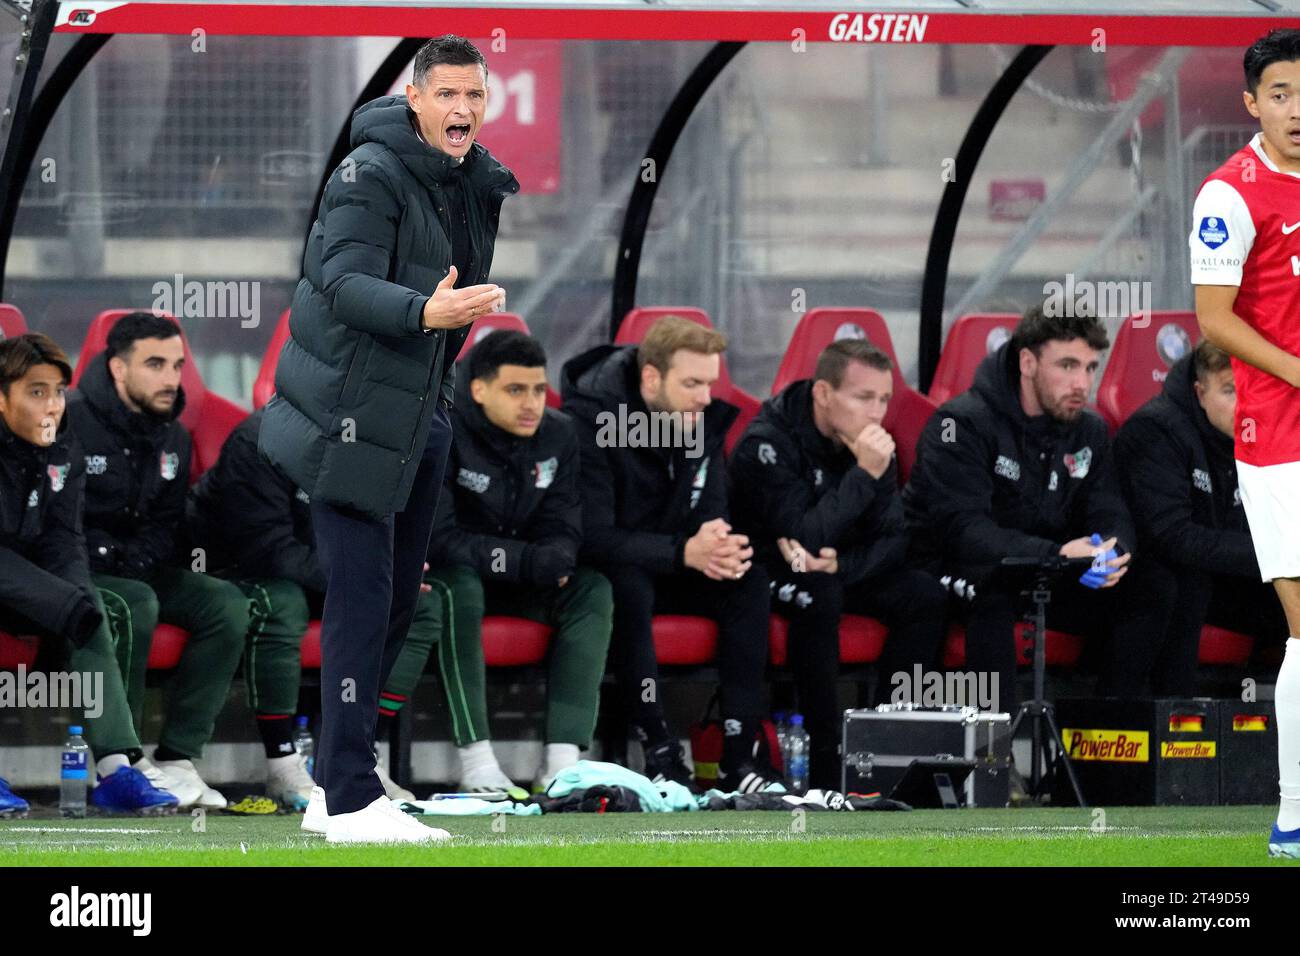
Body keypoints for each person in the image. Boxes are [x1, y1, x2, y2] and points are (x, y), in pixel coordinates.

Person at [258, 34, 518, 844]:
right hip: (352, 416)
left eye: (475, 95)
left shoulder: (468, 181)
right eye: (447, 94)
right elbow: (342, 282)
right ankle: (351, 799)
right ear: (414, 98)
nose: (464, 110)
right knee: (362, 599)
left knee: (401, 601)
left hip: (417, 412)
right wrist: (423, 313)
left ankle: (335, 778)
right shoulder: (368, 174)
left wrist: (438, 356)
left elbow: (456, 294)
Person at [562, 315, 781, 794]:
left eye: (709, 383)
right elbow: (593, 535)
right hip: (616, 568)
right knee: (626, 583)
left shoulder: (697, 419)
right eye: (692, 383)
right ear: (650, 378)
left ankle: (741, 758)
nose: (706, 397)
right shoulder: (590, 421)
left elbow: (712, 501)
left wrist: (717, 540)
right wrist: (685, 551)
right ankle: (660, 752)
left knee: (748, 578)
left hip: (678, 562)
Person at [387, 330, 612, 796]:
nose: (531, 403)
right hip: (463, 575)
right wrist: (531, 560)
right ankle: (477, 761)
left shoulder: (560, 433)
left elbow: (567, 524)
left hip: (526, 579)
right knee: (458, 587)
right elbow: (441, 539)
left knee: (593, 589)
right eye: (515, 390)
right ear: (478, 389)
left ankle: (563, 766)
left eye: (538, 390)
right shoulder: (442, 430)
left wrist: (553, 558)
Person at [728, 339, 947, 791]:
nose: (876, 412)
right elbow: (804, 535)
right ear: (823, 394)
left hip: (837, 567)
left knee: (925, 596)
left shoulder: (870, 446)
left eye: (884, 399)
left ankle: (887, 746)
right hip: (766, 570)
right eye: (863, 397)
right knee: (819, 597)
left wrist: (842, 566)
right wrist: (864, 475)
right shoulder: (766, 443)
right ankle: (827, 764)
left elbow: (895, 539)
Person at [903, 305, 1133, 711]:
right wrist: (1057, 555)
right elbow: (964, 530)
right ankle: (996, 762)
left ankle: (1110, 750)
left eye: (1091, 368)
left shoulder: (1090, 430)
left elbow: (1108, 507)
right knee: (990, 601)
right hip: (957, 569)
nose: (1082, 383)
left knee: (1149, 590)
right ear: (1027, 362)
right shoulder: (961, 423)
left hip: (1046, 570)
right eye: (1067, 365)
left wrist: (1110, 551)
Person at [1190, 27, 1300, 858]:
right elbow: (1215, 319)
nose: (1297, 111)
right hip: (1282, 436)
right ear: (1251, 103)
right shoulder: (1229, 194)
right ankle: (1292, 813)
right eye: (1282, 94)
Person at [66, 312, 247, 810]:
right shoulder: (70, 420)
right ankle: (118, 762)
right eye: (155, 364)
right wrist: (110, 554)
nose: (172, 379)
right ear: (118, 369)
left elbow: (168, 524)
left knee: (227, 604)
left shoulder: (174, 435)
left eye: (177, 365)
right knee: (136, 600)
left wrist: (143, 553)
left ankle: (177, 759)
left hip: (137, 567)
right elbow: (58, 521)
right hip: (76, 571)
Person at [0, 333, 176, 815]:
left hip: (26, 581)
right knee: (72, 605)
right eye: (36, 391)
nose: (52, 405)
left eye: (58, 391)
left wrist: (76, 595)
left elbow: (63, 535)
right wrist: (61, 602)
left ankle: (117, 769)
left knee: (91, 606)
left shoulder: (61, 439)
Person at [1106, 341, 1284, 696]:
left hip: (1230, 574)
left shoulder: (1266, 432)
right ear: (1200, 392)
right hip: (1152, 577)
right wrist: (1274, 550)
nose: (1246, 404)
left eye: (1253, 389)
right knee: (1184, 583)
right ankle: (1170, 719)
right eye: (1230, 390)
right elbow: (1173, 536)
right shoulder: (1155, 431)